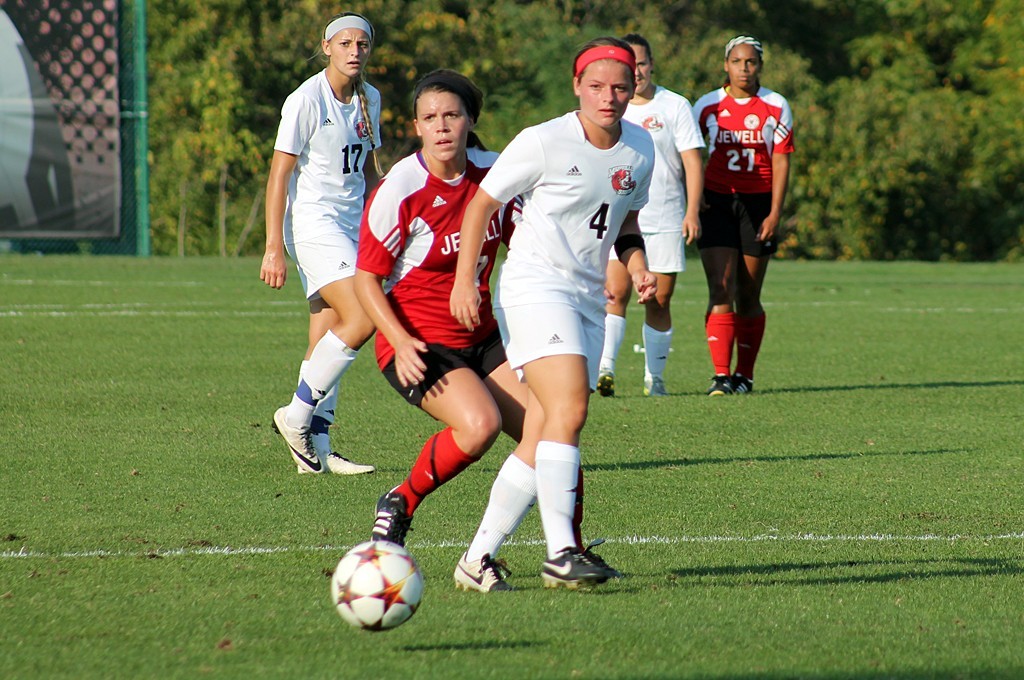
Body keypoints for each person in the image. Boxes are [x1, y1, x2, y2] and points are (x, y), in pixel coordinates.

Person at [451, 37, 657, 589]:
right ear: (577, 88)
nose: (608, 97)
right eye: (596, 86)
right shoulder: (543, 141)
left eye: (620, 86)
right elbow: (481, 206)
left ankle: (476, 560)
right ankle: (562, 551)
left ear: (635, 86)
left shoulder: (642, 149)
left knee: (542, 428)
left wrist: (638, 266)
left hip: (589, 299)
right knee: (569, 409)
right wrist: (467, 279)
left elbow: (626, 225)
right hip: (535, 288)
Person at [354, 70, 535, 593]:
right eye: (430, 118)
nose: (442, 126)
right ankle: (400, 501)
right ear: (415, 126)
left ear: (470, 119)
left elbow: (534, 236)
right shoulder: (402, 188)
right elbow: (367, 279)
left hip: (484, 337)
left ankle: (567, 551)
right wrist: (401, 339)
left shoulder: (496, 174)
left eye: (452, 115)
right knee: (479, 426)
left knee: (553, 430)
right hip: (416, 342)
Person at [259, 12, 381, 473]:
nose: (355, 51)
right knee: (364, 316)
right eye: (346, 43)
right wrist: (274, 246)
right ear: (326, 46)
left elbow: (368, 171)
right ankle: (295, 417)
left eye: (362, 44)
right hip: (314, 225)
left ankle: (318, 449)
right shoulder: (306, 100)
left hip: (352, 228)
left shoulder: (371, 98)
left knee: (328, 336)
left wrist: (383, 222)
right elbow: (279, 174)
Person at [597, 33, 705, 398]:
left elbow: (692, 159)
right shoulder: (608, 108)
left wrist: (692, 210)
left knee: (658, 299)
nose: (636, 71)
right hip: (621, 219)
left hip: (664, 219)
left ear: (651, 64)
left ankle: (654, 380)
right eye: (629, 66)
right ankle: (605, 371)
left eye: (641, 63)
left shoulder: (674, 105)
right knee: (614, 293)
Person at [692, 35, 794, 395]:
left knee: (748, 293)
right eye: (737, 61)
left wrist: (775, 213)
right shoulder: (707, 105)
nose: (744, 68)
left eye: (751, 62)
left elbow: (781, 160)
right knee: (720, 287)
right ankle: (721, 376)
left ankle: (744, 376)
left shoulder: (776, 105)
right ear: (726, 65)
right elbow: (690, 155)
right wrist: (694, 201)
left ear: (760, 66)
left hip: (758, 205)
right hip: (716, 202)